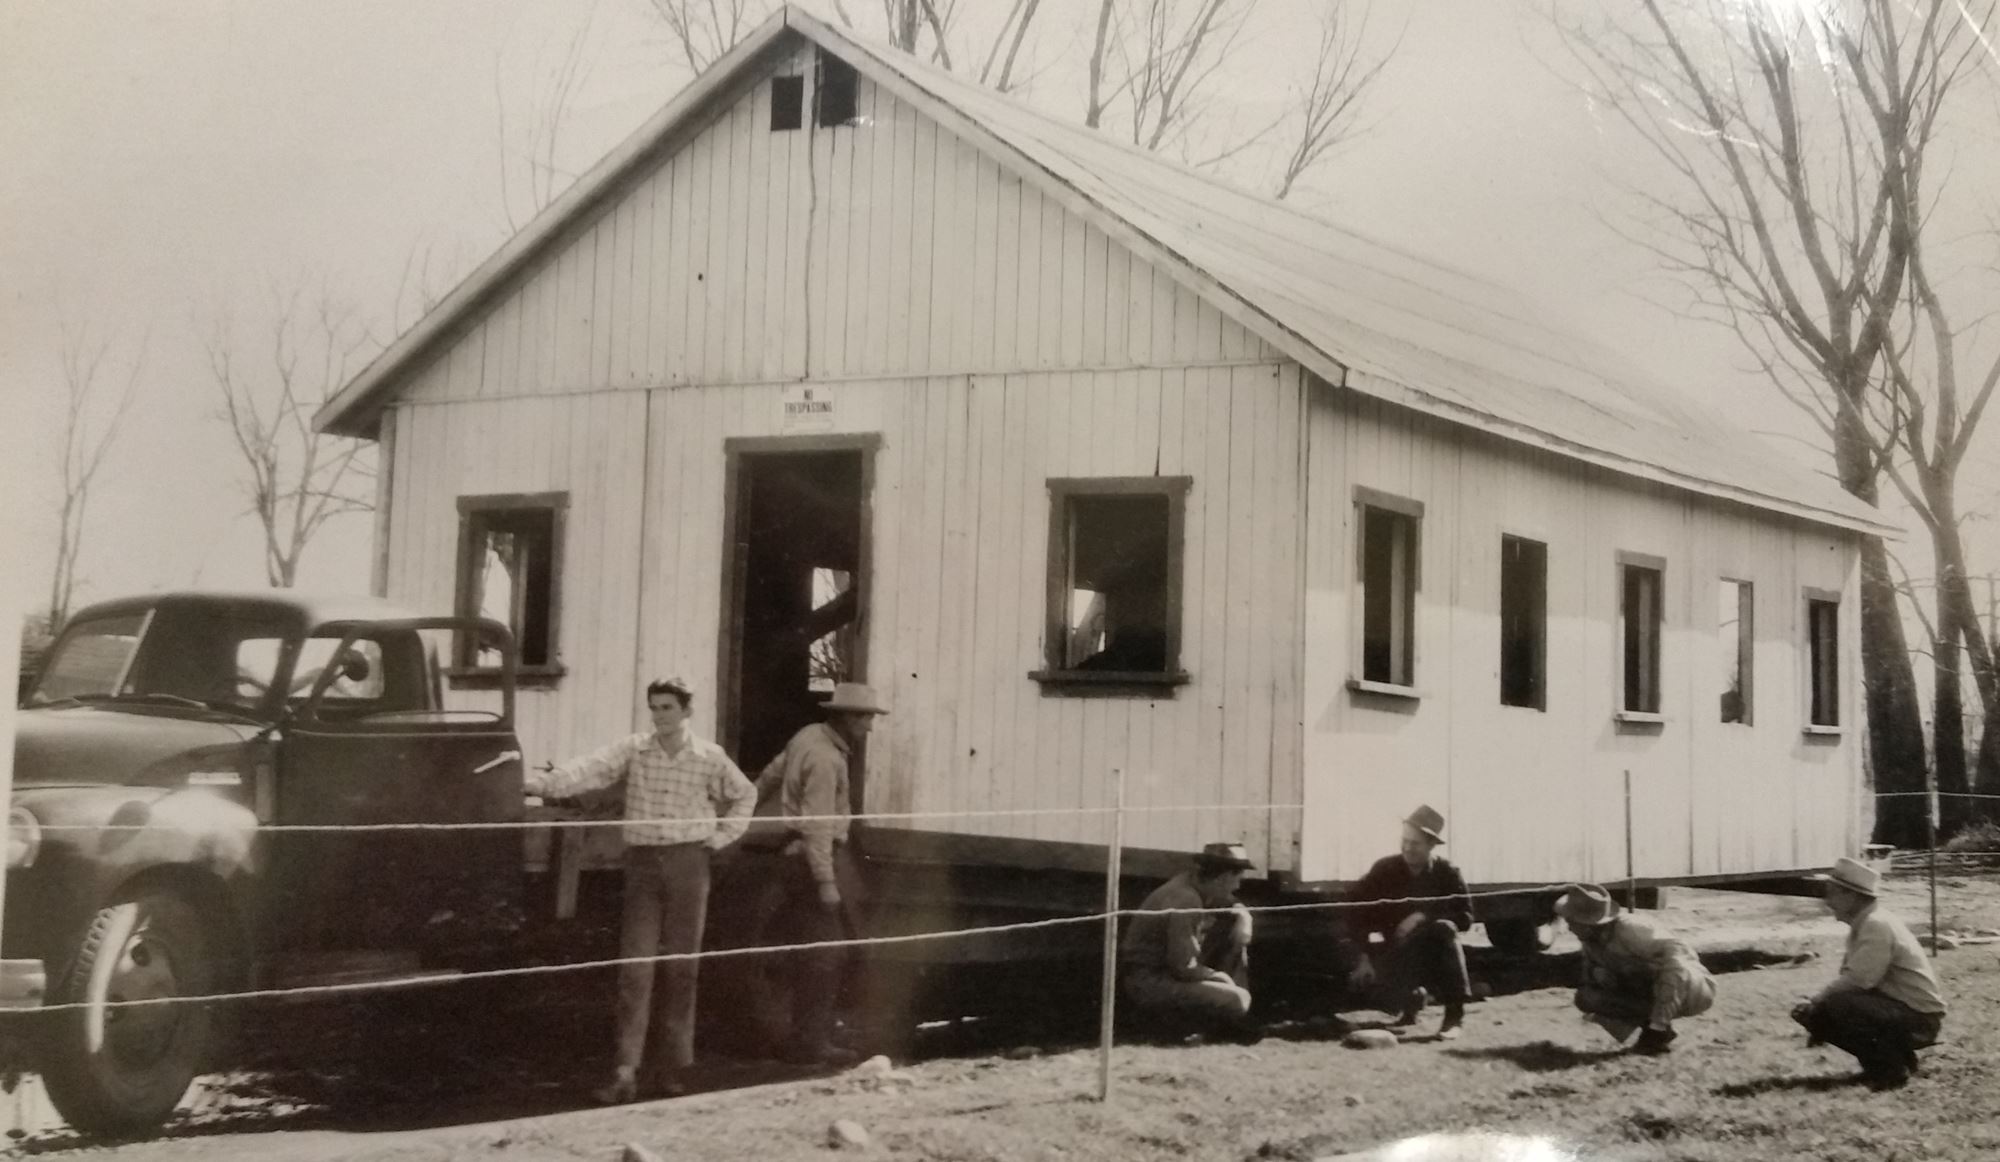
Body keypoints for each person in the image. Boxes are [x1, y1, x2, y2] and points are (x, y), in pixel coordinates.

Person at [525, 676, 755, 1104]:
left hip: (689, 864)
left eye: (668, 707)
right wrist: (543, 785)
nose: (659, 716)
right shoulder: (636, 749)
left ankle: (672, 1069)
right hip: (644, 866)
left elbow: (745, 794)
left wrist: (720, 838)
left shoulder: (709, 757)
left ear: (686, 711)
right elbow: (592, 768)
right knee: (636, 966)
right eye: (654, 708)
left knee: (682, 966)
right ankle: (625, 1071)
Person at [744, 681, 890, 1066]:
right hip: (811, 859)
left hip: (794, 853)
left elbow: (771, 776)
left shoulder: (806, 736)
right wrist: (825, 881)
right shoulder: (827, 759)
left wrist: (742, 811)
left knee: (811, 949)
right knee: (827, 954)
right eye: (865, 718)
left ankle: (805, 1036)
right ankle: (810, 1043)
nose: (869, 726)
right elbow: (819, 825)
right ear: (847, 718)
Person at [1791, 856, 1946, 1090]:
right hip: (1907, 1012)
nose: (1827, 901)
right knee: (1821, 1010)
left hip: (1920, 1020)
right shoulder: (1868, 923)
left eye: (1832, 893)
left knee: (1838, 1004)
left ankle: (1889, 1071)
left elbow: (1859, 980)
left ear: (1852, 896)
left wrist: (1817, 1001)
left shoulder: (1875, 924)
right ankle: (1897, 1061)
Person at [1347, 805, 1474, 1038]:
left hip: (1432, 954)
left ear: (1431, 845)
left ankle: (1454, 1017)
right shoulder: (1384, 869)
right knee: (1373, 996)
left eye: (1415, 843)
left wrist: (1423, 916)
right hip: (1393, 953)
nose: (1407, 848)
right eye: (1404, 841)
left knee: (1445, 928)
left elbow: (1465, 918)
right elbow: (1357, 912)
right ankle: (1411, 1000)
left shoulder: (1448, 873)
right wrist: (1363, 958)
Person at [1118, 842, 1262, 1043]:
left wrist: (1244, 917)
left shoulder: (1192, 884)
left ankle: (1224, 1024)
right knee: (1238, 999)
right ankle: (1189, 1029)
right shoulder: (1186, 900)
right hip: (1149, 981)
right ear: (1223, 877)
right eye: (1237, 879)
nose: (1237, 886)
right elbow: (1183, 967)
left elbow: (1230, 902)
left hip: (1159, 974)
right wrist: (1218, 977)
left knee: (1231, 930)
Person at [1555, 883, 1715, 1055]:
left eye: (1571, 922)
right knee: (1587, 997)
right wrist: (1599, 975)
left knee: (1673, 966)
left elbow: (1679, 958)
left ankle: (1657, 1031)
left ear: (1587, 923)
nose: (1569, 928)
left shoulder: (1630, 928)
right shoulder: (1590, 941)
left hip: (1694, 989)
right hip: (1656, 991)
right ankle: (1655, 1030)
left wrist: (1659, 1021)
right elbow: (1589, 978)